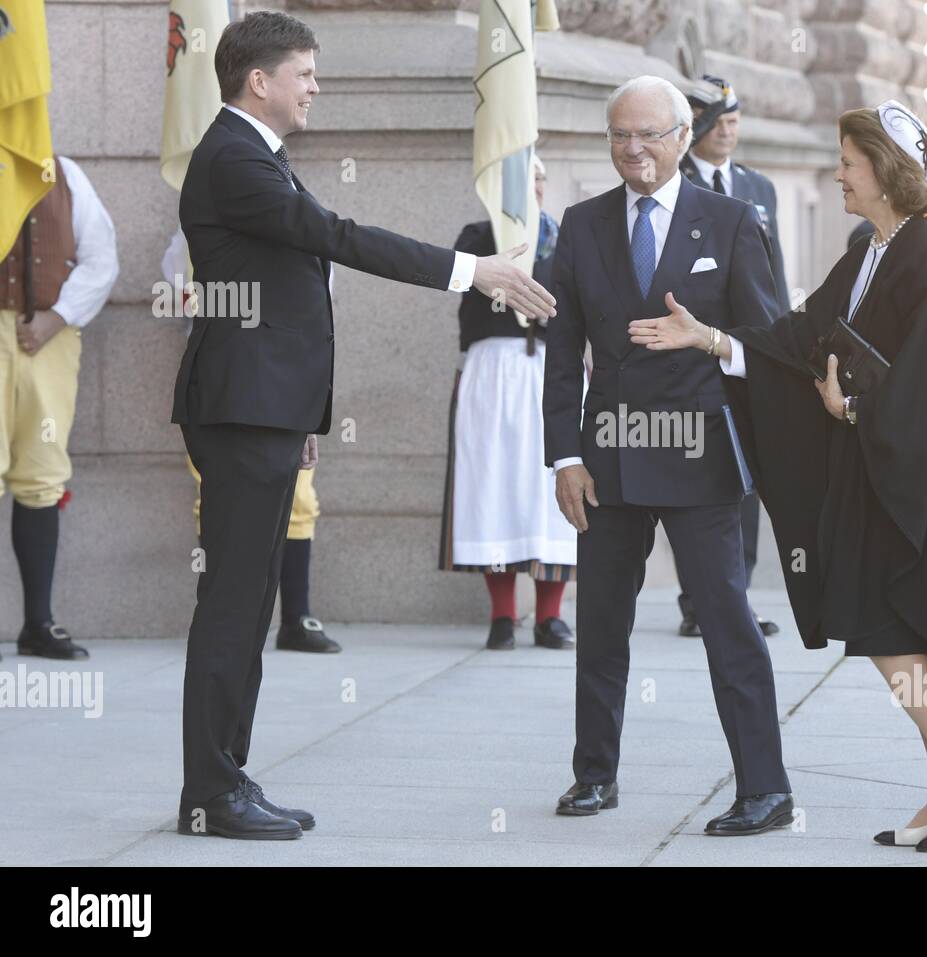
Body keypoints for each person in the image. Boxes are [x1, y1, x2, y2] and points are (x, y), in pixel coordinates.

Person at [171, 11, 554, 841]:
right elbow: (335, 238)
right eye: (304, 72)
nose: (316, 86)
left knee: (250, 596)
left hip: (262, 409)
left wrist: (301, 415)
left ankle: (228, 777)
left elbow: (288, 284)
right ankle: (208, 792)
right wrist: (471, 271)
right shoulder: (234, 155)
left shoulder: (256, 156)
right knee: (234, 603)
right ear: (258, 80)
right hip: (238, 409)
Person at [630, 101, 927, 852]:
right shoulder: (872, 248)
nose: (838, 173)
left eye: (847, 162)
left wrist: (852, 407)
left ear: (884, 169)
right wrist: (710, 338)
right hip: (884, 469)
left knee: (883, 624)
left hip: (920, 475)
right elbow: (799, 335)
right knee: (906, 629)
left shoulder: (926, 249)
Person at [542, 75, 794, 835]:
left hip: (699, 455)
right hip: (609, 457)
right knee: (603, 624)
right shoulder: (581, 225)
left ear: (684, 137)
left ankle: (766, 787)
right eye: (620, 134)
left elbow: (772, 338)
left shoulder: (730, 221)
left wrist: (711, 341)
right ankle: (594, 776)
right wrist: (564, 458)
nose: (634, 150)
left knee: (726, 620)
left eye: (649, 134)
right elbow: (561, 355)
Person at [165, 228, 340, 654]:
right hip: (221, 376)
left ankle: (296, 617)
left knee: (297, 495)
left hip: (280, 374)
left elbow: (315, 306)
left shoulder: (299, 228)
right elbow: (175, 295)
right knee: (219, 496)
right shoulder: (191, 232)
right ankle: (227, 616)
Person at [439, 155, 576, 651]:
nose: (531, 190)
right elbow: (460, 281)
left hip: (547, 371)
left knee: (552, 488)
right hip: (493, 372)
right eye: (519, 184)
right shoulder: (476, 239)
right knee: (491, 485)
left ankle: (550, 617)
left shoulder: (566, 239)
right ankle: (501, 615)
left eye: (537, 181)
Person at [674, 74, 785, 638]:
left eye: (735, 122)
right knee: (699, 480)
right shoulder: (677, 180)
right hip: (693, 349)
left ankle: (735, 597)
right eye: (720, 123)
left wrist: (783, 344)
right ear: (697, 127)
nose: (728, 133)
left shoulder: (758, 187)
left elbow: (774, 277)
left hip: (748, 354)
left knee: (745, 479)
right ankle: (697, 600)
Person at [0, 154, 118, 662]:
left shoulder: (65, 174)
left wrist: (58, 316)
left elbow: (101, 259)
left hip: (47, 340)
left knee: (42, 476)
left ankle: (38, 624)